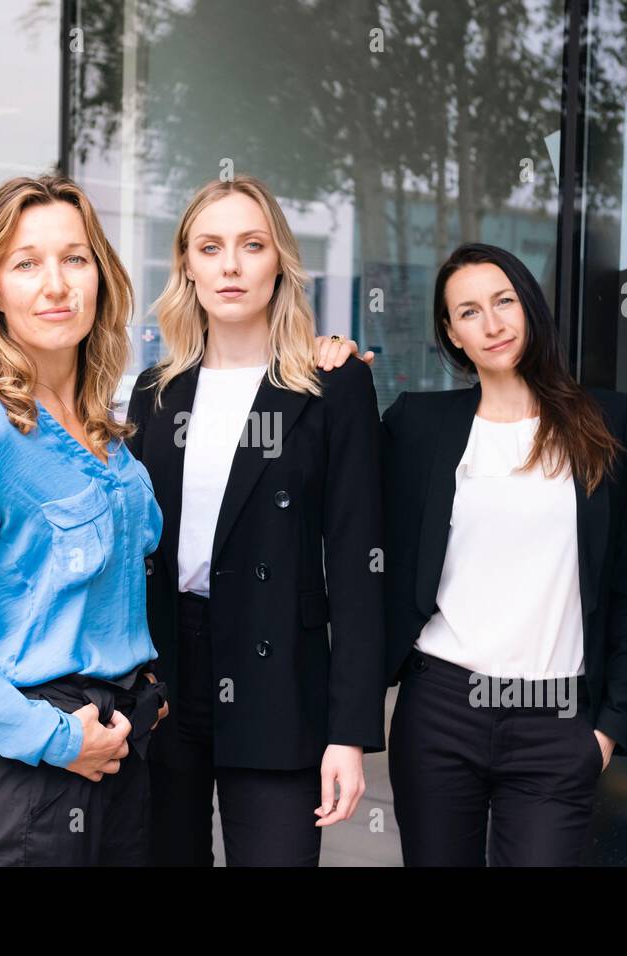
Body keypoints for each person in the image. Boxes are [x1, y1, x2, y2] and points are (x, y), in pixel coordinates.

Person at [0, 175, 167, 866]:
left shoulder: (106, 434)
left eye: (75, 259)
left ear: (101, 277)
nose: (56, 284)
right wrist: (58, 740)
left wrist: (143, 689)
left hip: (119, 753)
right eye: (26, 264)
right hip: (31, 767)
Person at [126, 174, 385, 866]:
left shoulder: (335, 384)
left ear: (280, 261)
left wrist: (350, 731)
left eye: (252, 245)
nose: (231, 265)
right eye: (210, 247)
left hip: (280, 678)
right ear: (186, 263)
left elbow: (361, 563)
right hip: (165, 671)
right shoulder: (156, 393)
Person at [380, 242, 627, 866]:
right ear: (452, 335)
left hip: (557, 718)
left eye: (504, 301)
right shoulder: (417, 426)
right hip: (441, 708)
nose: (493, 323)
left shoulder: (607, 420)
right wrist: (334, 365)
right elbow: (338, 496)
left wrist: (610, 727)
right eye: (470, 311)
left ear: (529, 306)